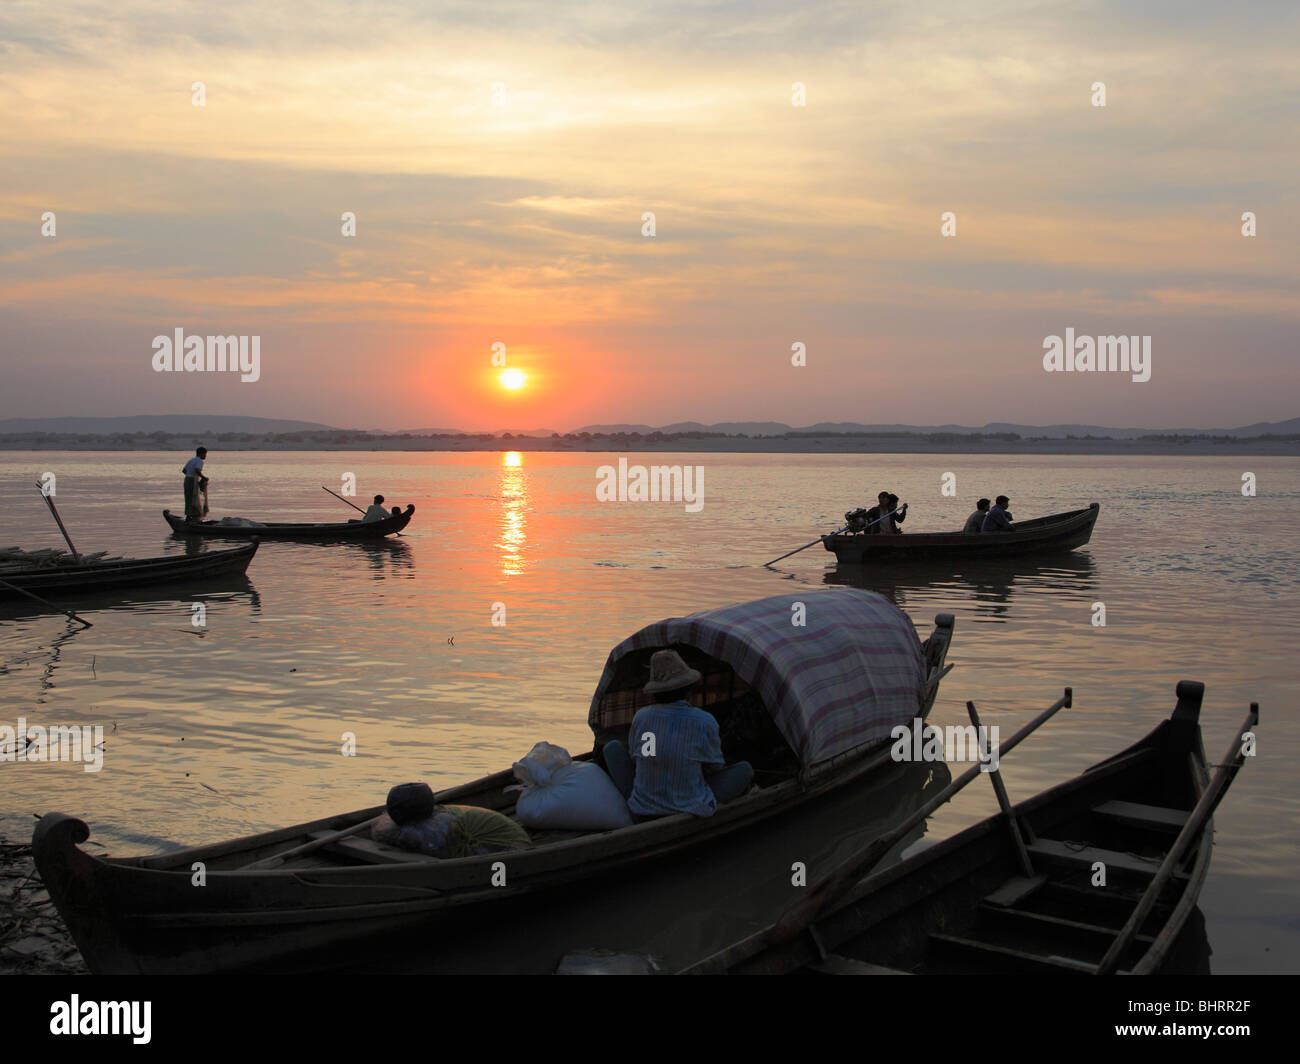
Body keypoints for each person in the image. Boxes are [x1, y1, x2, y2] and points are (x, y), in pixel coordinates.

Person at [602, 650, 753, 818]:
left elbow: (641, 757)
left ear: (655, 692)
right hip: (689, 806)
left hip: (642, 807)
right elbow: (714, 767)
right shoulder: (704, 721)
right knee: (745, 770)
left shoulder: (642, 717)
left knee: (612, 748)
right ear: (688, 689)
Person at [182, 447, 208, 521]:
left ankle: (189, 516)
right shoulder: (200, 461)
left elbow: (184, 471)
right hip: (192, 480)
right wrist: (204, 478)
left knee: (188, 498)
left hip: (187, 480)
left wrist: (190, 475)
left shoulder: (191, 460)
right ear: (201, 453)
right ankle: (193, 517)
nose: (205, 456)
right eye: (205, 454)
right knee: (193, 498)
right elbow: (197, 470)